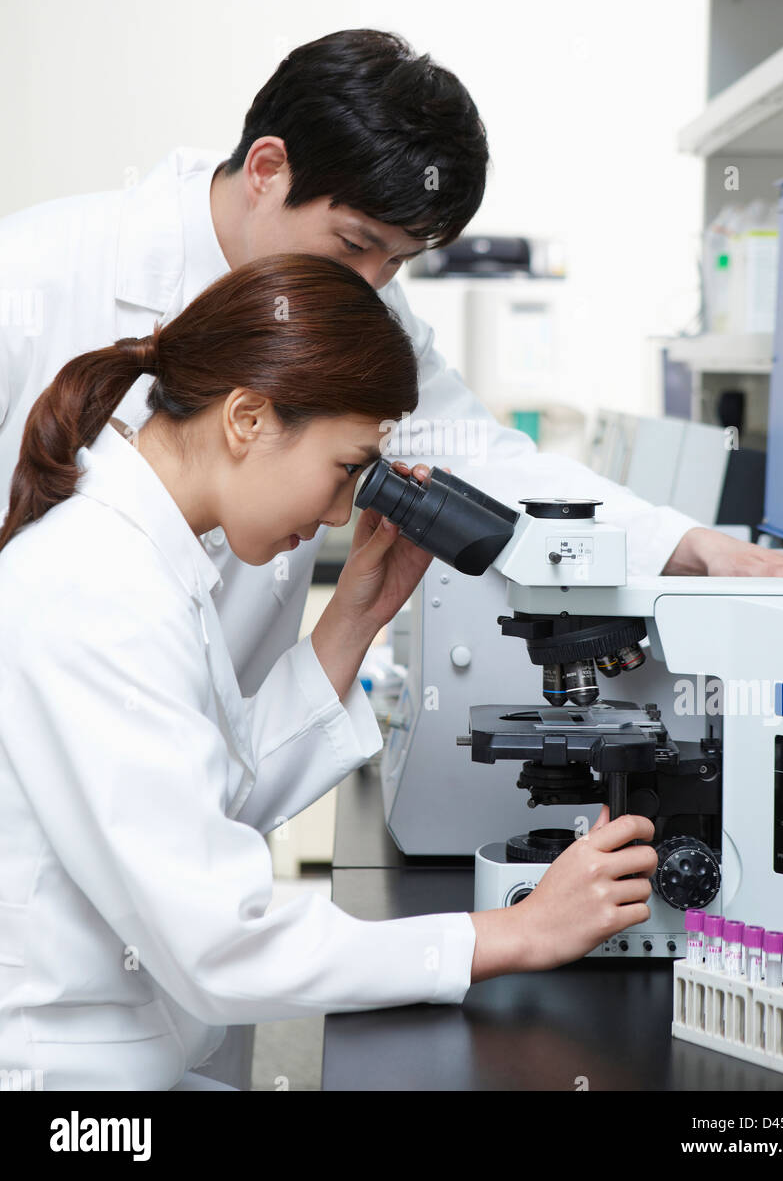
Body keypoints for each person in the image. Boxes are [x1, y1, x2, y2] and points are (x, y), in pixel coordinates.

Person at [1, 29, 783, 1087]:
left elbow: (474, 454)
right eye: (357, 242)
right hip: (72, 999)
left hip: (165, 957)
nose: (375, 285)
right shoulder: (39, 288)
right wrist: (502, 934)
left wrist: (694, 551)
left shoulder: (204, 471)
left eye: (397, 262)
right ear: (266, 169)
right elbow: (205, 913)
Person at [0, 253, 658, 1091]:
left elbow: (213, 802)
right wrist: (514, 934)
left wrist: (357, 614)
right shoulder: (97, 588)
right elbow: (223, 946)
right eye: (348, 468)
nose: (343, 510)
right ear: (247, 419)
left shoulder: (143, 558)